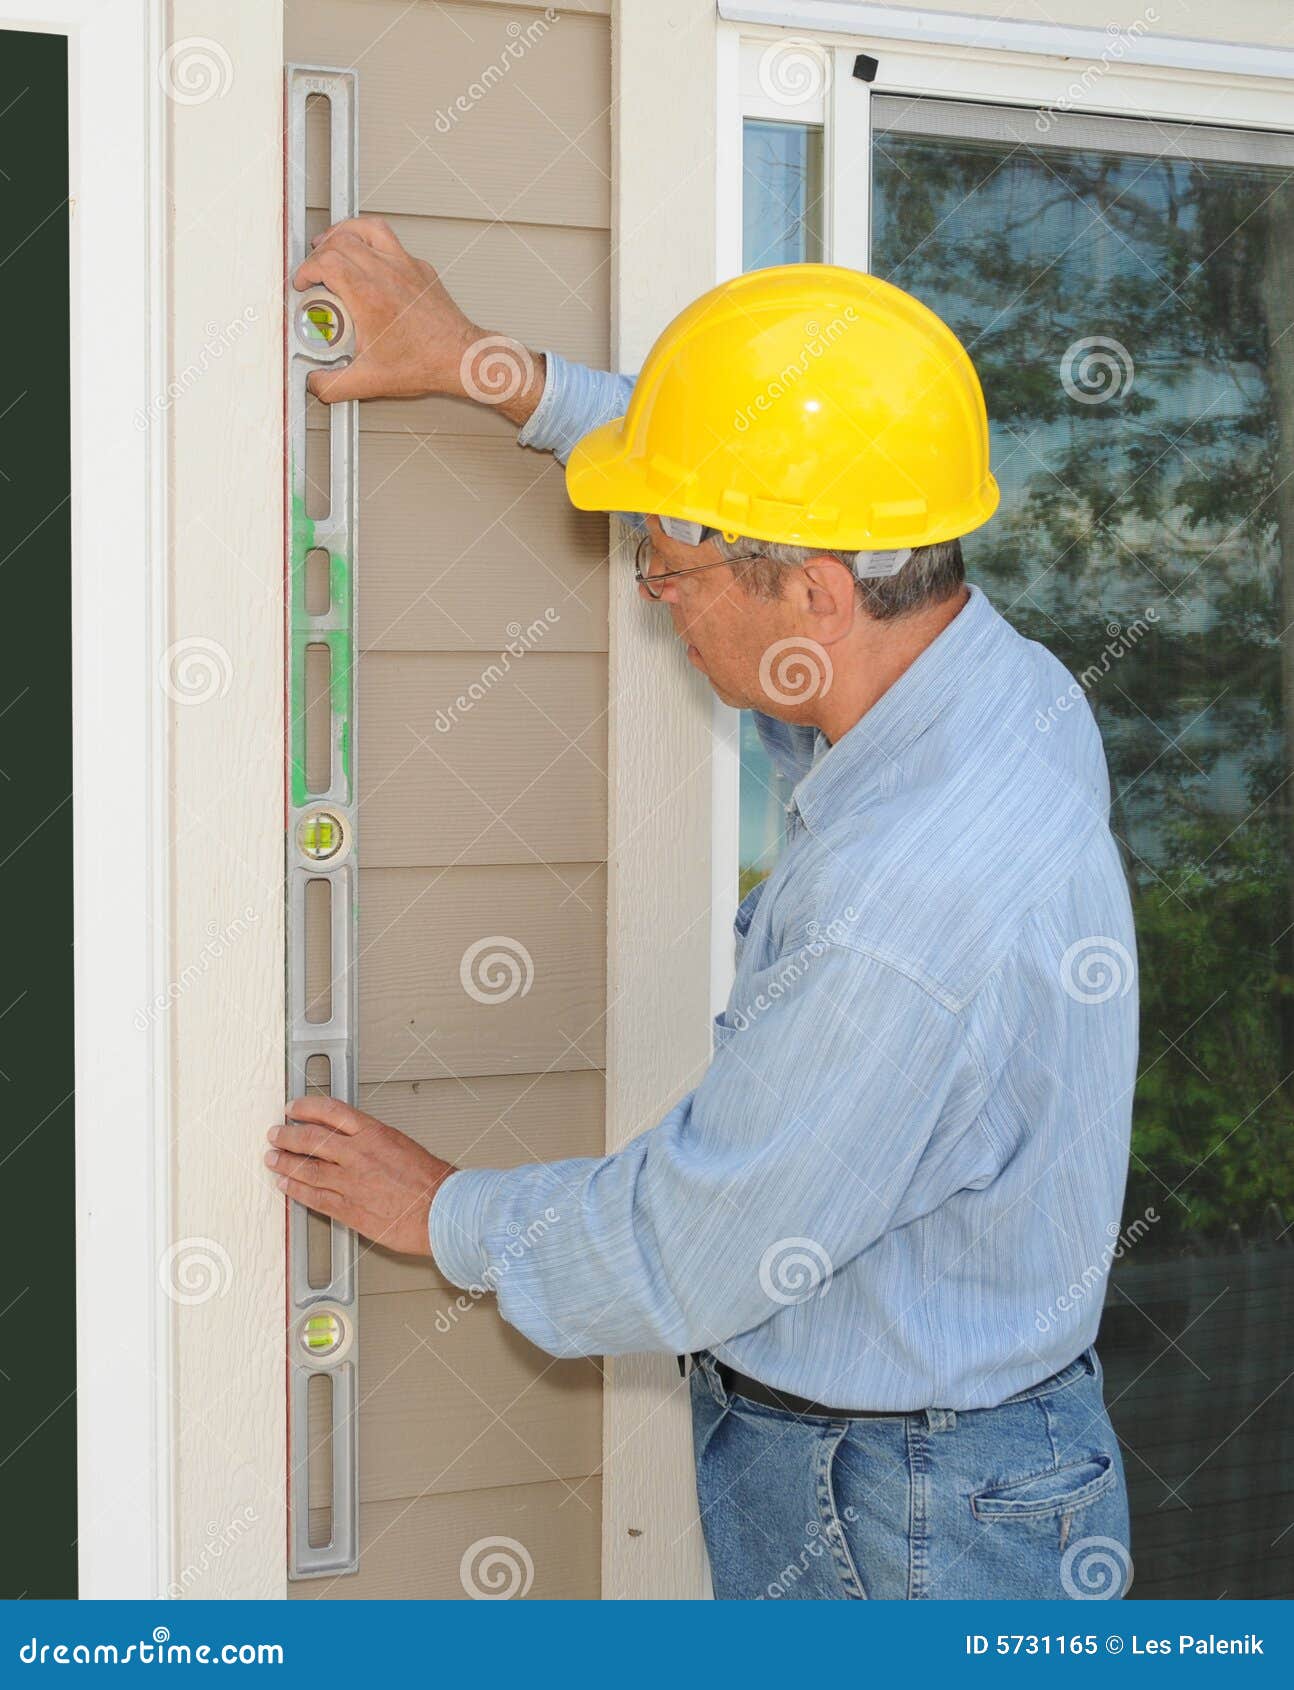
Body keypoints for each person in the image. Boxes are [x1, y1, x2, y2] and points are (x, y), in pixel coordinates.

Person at [265, 216, 1138, 1601]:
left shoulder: (900, 907)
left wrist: (440, 1208)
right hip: (955, 1460)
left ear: (813, 592)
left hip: (900, 1514)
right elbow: (757, 484)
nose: (655, 591)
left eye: (667, 572)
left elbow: (694, 1248)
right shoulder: (986, 683)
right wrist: (488, 370)